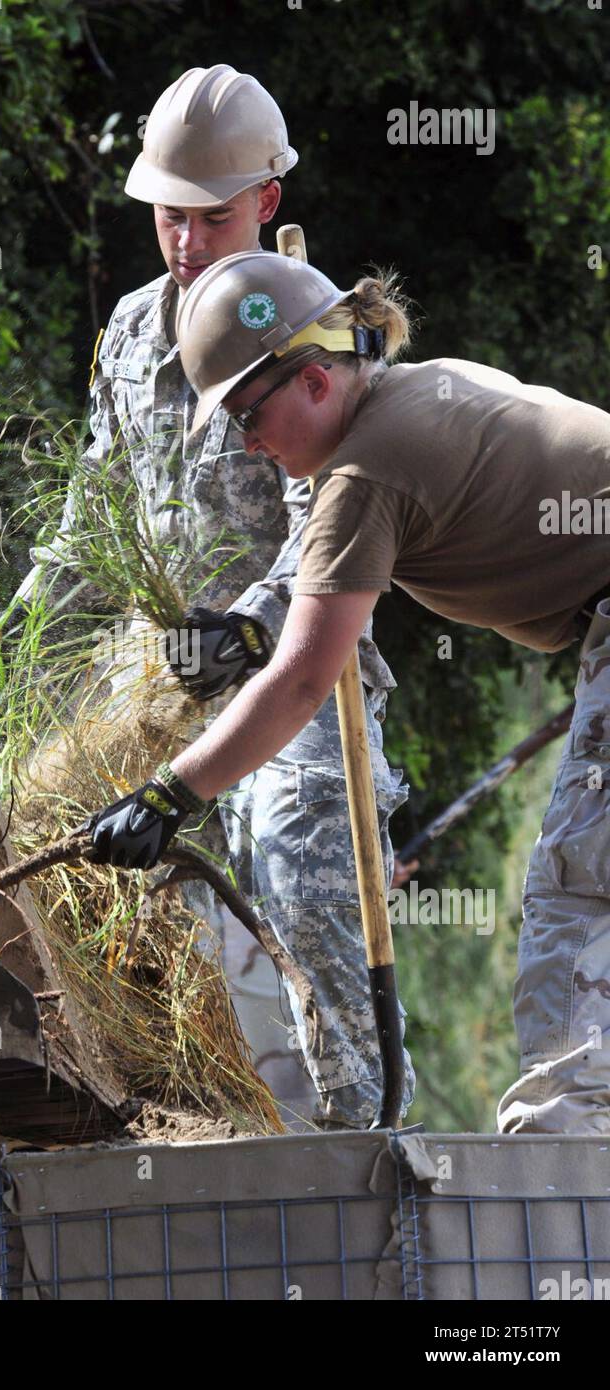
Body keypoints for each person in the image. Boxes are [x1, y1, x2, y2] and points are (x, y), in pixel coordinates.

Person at [88, 247, 610, 1137]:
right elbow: (309, 608)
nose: (247, 443)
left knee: (580, 903)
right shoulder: (421, 390)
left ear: (315, 380)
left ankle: (567, 1179)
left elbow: (302, 679)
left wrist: (168, 797)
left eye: (249, 414)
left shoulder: (366, 471)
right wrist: (248, 627)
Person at [13, 64, 414, 1131]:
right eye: (169, 218)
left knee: (296, 857)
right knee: (61, 847)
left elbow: (337, 515)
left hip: (295, 673)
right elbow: (95, 504)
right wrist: (26, 620)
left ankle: (368, 1137)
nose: (188, 242)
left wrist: (248, 627)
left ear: (267, 201)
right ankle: (163, 1131)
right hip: (156, 681)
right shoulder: (130, 329)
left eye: (213, 217)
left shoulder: (308, 323)